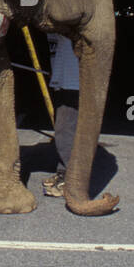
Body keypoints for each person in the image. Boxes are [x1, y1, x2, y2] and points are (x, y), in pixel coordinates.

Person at [43, 33, 80, 197]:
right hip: (63, 78)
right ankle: (64, 173)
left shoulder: (65, 15)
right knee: (65, 129)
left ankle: (69, 180)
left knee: (65, 130)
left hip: (71, 81)